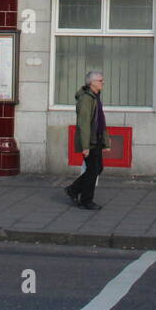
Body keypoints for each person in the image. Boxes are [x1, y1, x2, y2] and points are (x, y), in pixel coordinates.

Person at [65, 70, 112, 210]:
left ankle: (73, 189)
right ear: (92, 83)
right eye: (100, 80)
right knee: (93, 170)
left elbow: (100, 122)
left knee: (97, 168)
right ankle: (86, 200)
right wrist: (85, 146)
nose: (102, 82)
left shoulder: (95, 97)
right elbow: (83, 123)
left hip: (95, 139)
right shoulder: (86, 99)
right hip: (89, 141)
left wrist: (105, 142)